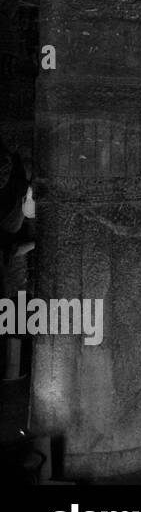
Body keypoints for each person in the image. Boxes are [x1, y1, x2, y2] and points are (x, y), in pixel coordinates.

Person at [1, 144, 35, 381]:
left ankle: (13, 371)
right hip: (13, 258)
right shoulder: (16, 192)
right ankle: (12, 371)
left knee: (15, 309)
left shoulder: (19, 190)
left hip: (17, 260)